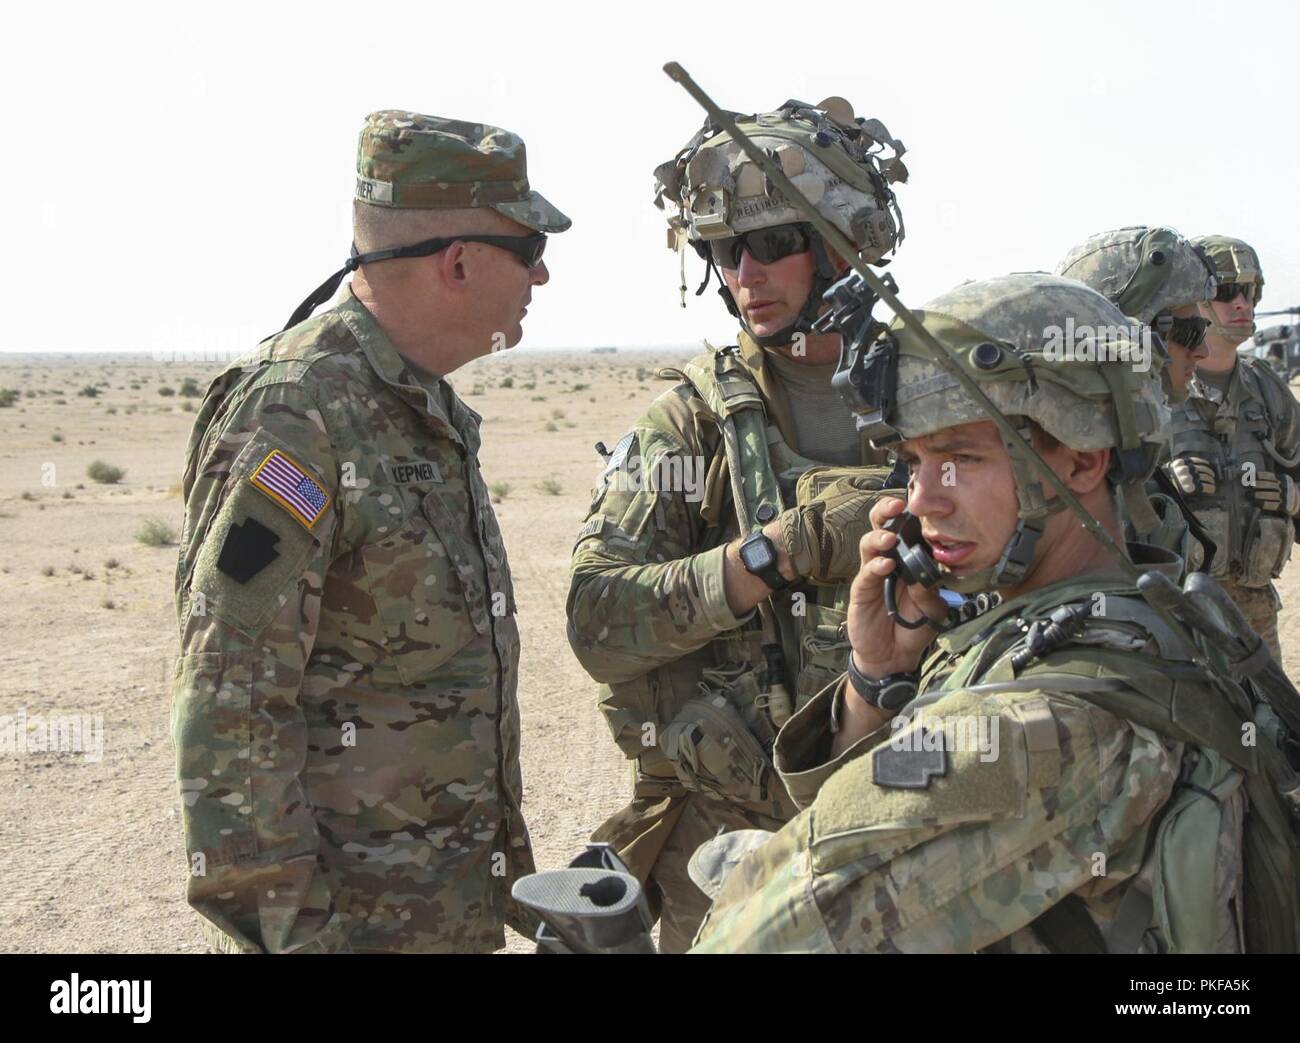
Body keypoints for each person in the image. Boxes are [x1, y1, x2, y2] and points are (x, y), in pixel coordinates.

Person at [690, 273, 1300, 953]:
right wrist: (876, 676)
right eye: (912, 460)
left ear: (1081, 461)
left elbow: (757, 938)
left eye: (960, 459)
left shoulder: (1028, 731)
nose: (922, 500)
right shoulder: (1164, 610)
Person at [170, 110, 569, 953]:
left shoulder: (424, 408)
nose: (543, 277)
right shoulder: (298, 414)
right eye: (529, 251)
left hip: (436, 920)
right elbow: (230, 703)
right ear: (458, 262)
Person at [566, 97, 909, 950]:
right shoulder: (695, 423)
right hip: (732, 841)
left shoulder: (944, 396)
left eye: (772, 243)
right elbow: (598, 618)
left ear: (844, 243)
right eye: (722, 249)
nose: (743, 272)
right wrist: (774, 552)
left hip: (911, 820)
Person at [1167, 235, 1300, 663]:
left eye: (1252, 291)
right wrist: (1166, 487)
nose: (1243, 303)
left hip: (1254, 616)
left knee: (1269, 726)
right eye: (1227, 292)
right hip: (1176, 613)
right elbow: (1101, 498)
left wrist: (1291, 498)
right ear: (1197, 300)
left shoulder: (1269, 393)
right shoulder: (1153, 391)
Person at [1056, 225, 1218, 562]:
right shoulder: (1074, 466)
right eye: (1189, 332)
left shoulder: (1132, 449)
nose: (1202, 351)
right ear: (1130, 334)